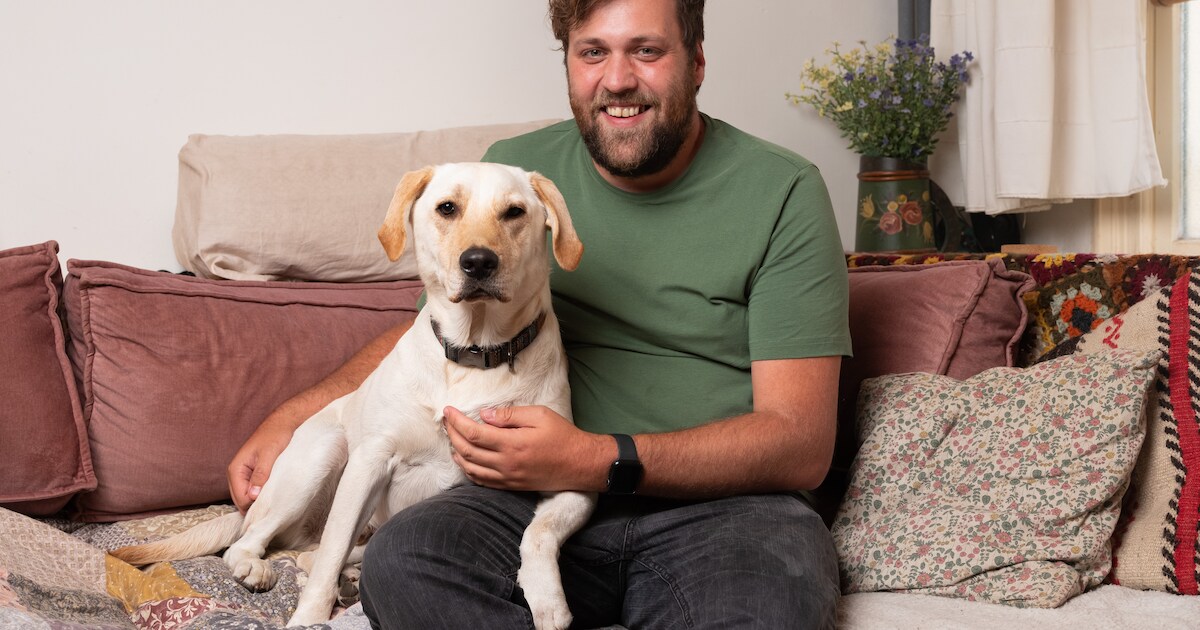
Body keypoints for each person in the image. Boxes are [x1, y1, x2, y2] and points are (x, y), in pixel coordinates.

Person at [228, 0, 851, 627]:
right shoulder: (509, 173)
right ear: (569, 63)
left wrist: (592, 460)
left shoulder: (782, 190)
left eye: (647, 50)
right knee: (405, 562)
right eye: (592, 52)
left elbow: (800, 443)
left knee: (763, 608)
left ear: (696, 62)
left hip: (726, 511)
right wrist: (297, 416)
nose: (617, 79)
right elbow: (437, 336)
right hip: (520, 500)